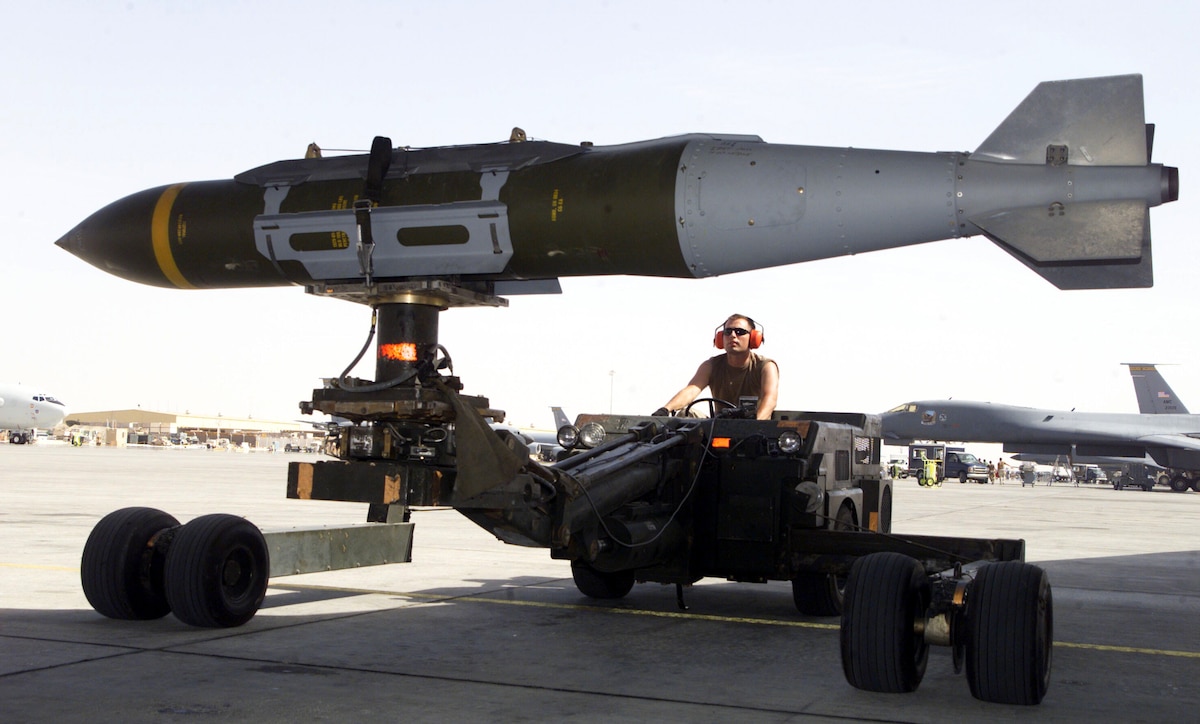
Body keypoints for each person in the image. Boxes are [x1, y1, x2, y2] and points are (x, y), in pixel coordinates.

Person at [655, 314, 779, 420]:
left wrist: (754, 424)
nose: (733, 336)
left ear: (753, 338)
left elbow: (770, 399)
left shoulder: (765, 366)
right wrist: (666, 409)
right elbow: (692, 390)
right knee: (685, 415)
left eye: (740, 332)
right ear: (720, 338)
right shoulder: (711, 365)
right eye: (727, 332)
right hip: (719, 426)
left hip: (754, 431)